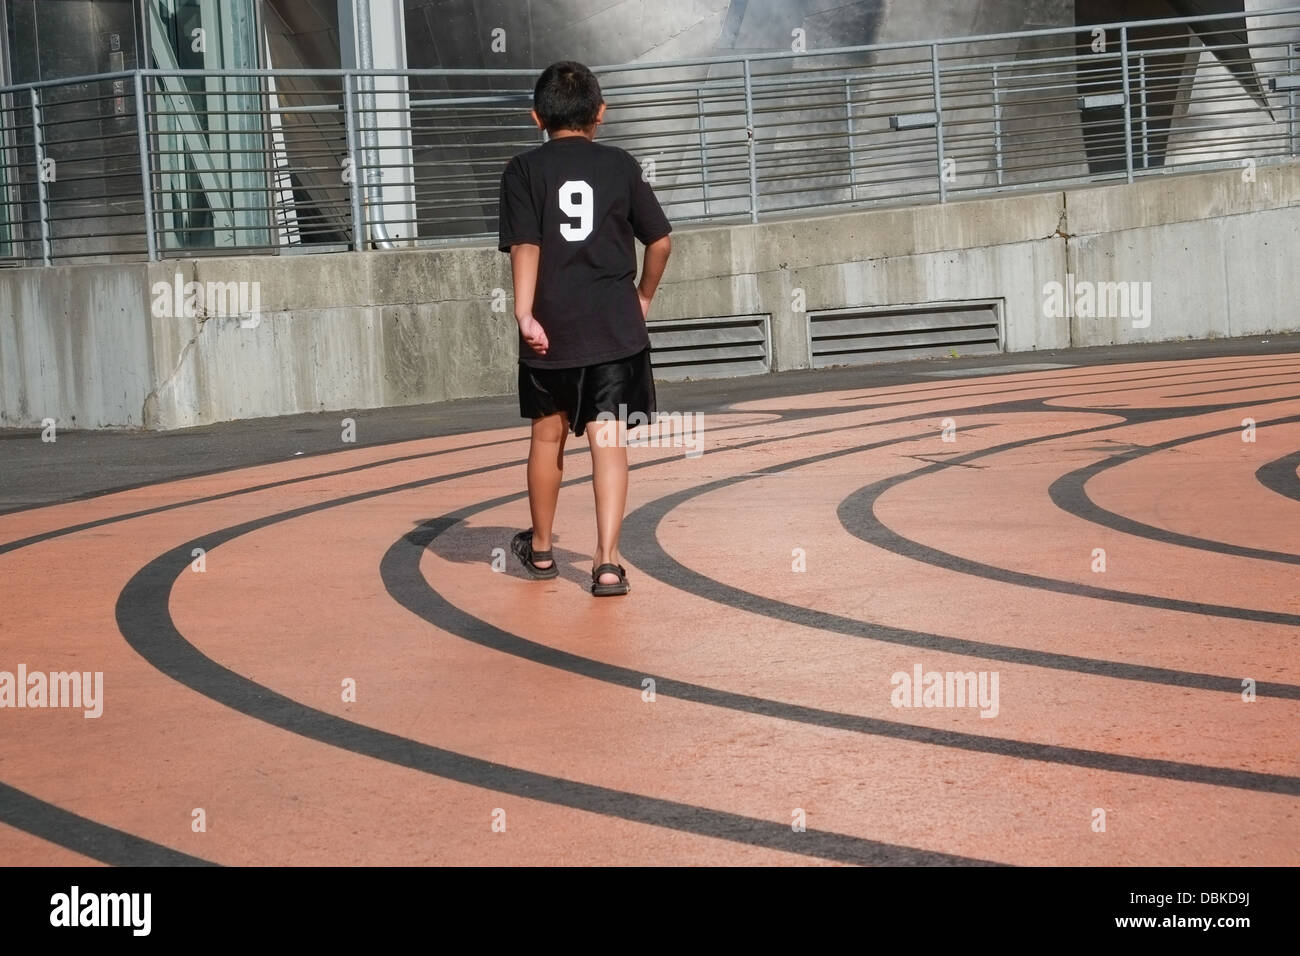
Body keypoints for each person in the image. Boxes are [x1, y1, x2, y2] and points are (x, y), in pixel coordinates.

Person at [497, 60, 672, 597]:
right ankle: (607, 563)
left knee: (547, 435)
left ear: (536, 118)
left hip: (552, 328)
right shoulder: (621, 165)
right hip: (614, 329)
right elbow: (661, 241)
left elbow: (527, 245)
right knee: (608, 439)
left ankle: (544, 550)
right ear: (601, 113)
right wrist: (642, 296)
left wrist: (525, 314)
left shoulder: (522, 170)